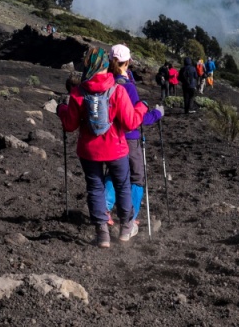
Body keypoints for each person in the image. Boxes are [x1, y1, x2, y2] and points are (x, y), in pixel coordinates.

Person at [58, 46, 149, 247]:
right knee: (123, 186)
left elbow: (70, 125)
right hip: (116, 149)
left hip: (89, 151)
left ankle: (102, 235)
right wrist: (142, 107)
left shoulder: (78, 92)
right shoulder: (117, 89)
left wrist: (62, 109)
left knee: (95, 188)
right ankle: (126, 229)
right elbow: (131, 122)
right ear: (106, 66)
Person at [104, 44, 163, 230]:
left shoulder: (105, 81)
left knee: (114, 171)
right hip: (130, 136)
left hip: (110, 135)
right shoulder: (128, 87)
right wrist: (156, 114)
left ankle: (104, 209)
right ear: (127, 62)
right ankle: (131, 217)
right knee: (136, 176)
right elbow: (137, 118)